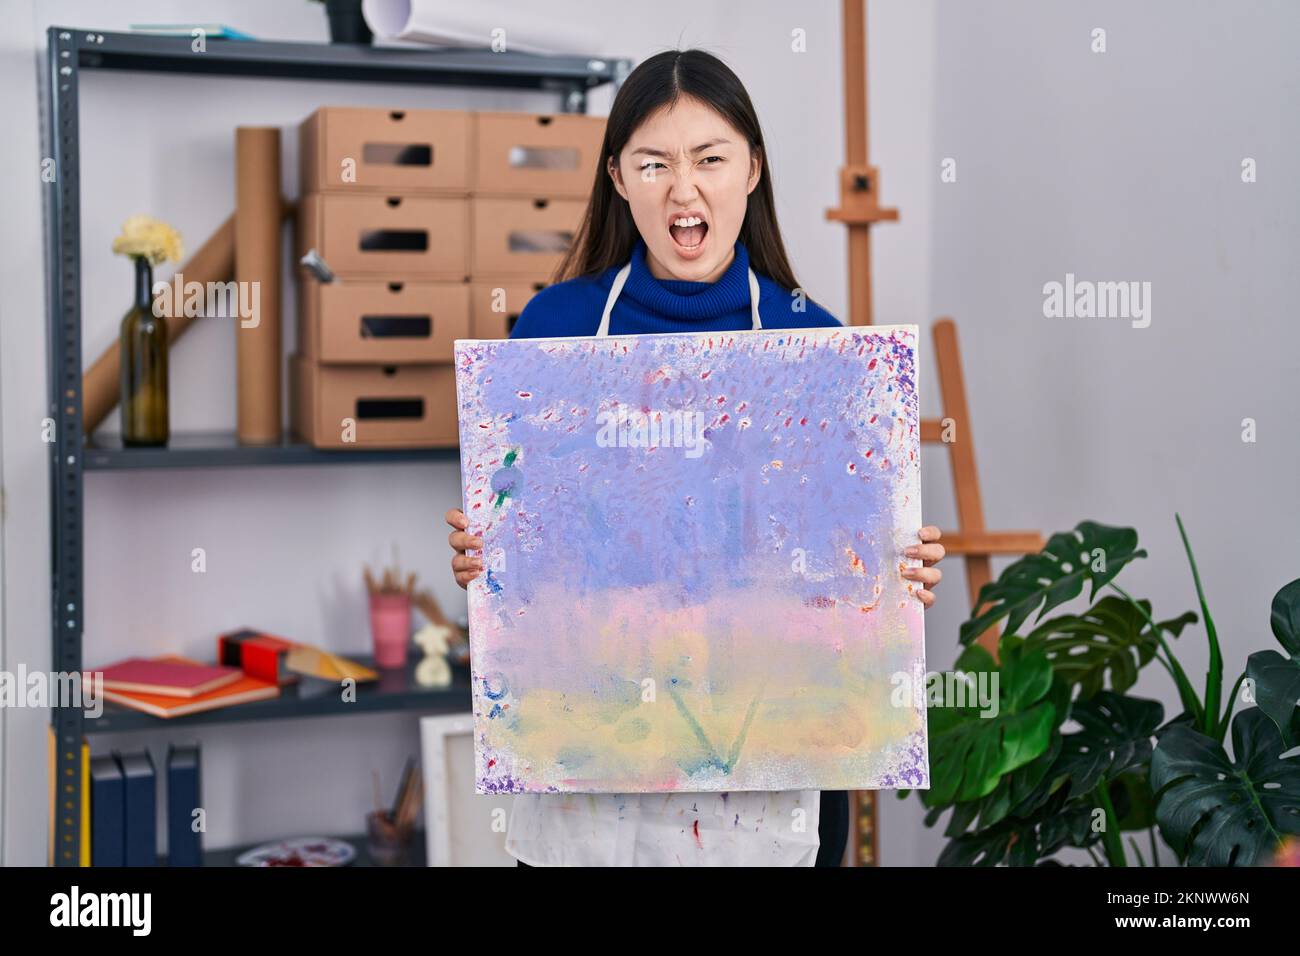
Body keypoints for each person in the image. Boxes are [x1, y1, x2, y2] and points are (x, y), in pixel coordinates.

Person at [445, 48, 945, 867]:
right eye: (654, 164)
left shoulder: (816, 343)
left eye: (710, 159)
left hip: (763, 784)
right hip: (585, 771)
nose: (684, 189)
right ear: (617, 177)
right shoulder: (549, 331)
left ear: (752, 170)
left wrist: (895, 572)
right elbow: (516, 533)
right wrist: (485, 556)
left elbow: (840, 578)